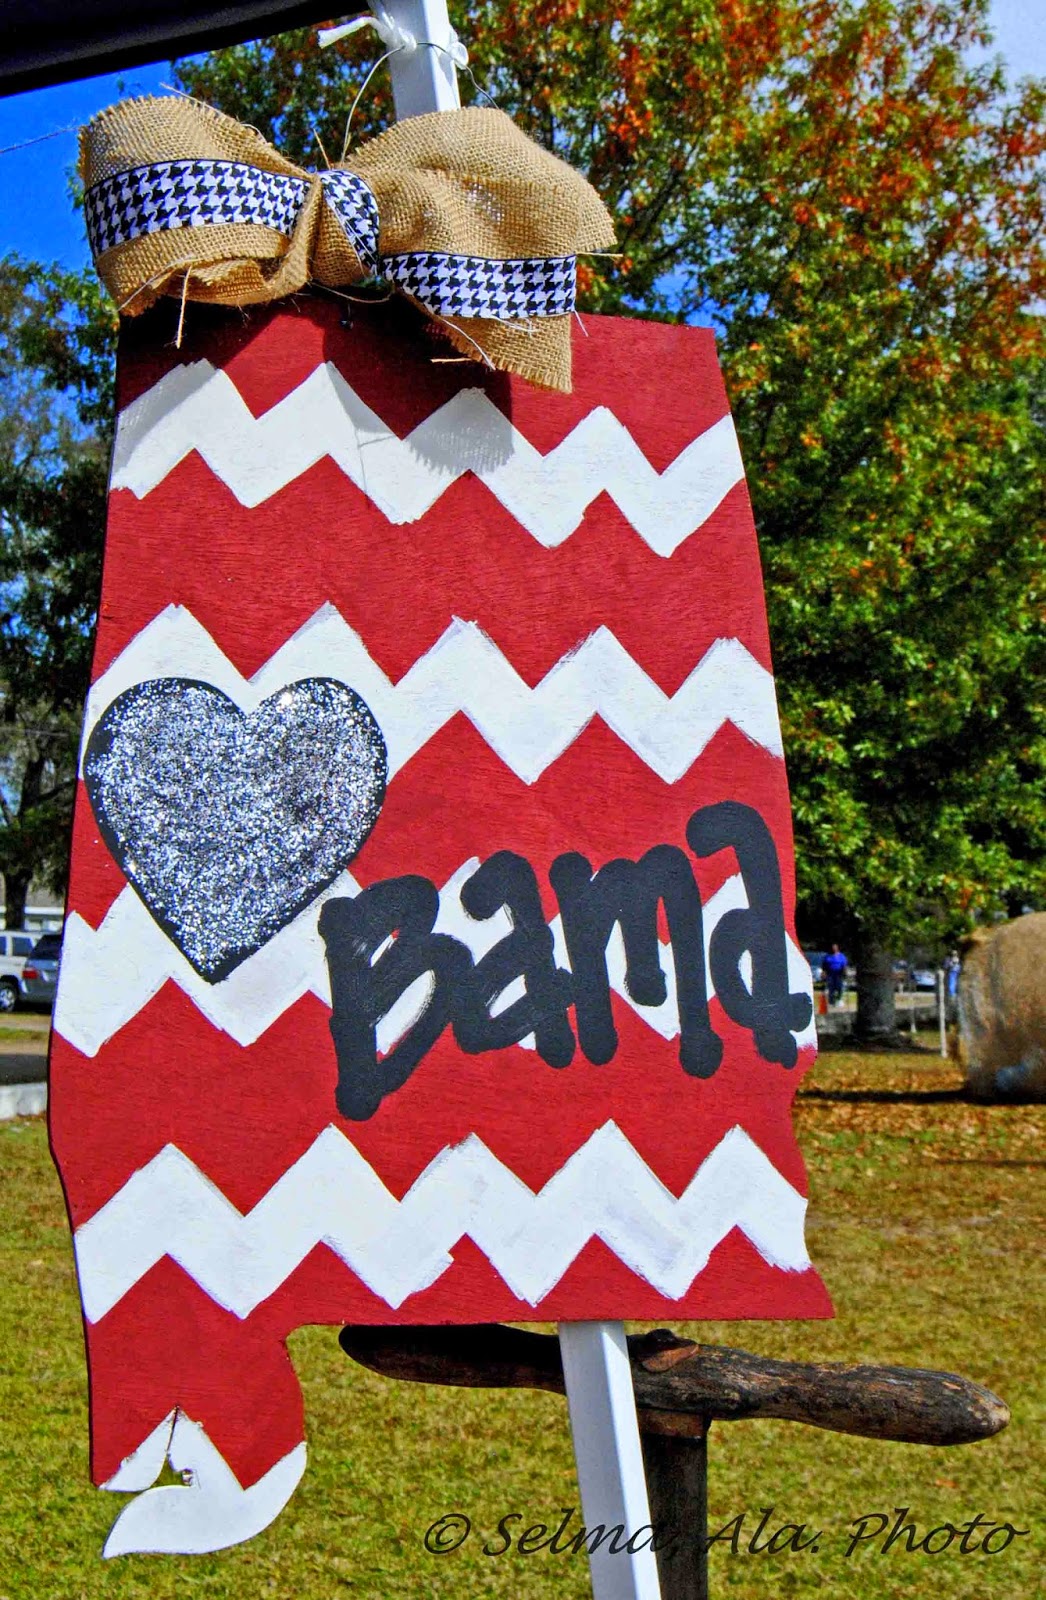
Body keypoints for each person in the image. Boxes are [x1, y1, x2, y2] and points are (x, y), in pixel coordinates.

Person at [823, 943, 848, 1007]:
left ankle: (839, 1000)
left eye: (835, 947)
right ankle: (831, 1002)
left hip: (839, 974)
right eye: (832, 947)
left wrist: (845, 973)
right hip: (830, 974)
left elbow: (844, 965)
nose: (833, 949)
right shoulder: (828, 956)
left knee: (839, 987)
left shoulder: (841, 956)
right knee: (831, 988)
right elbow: (824, 966)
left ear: (837, 948)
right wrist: (824, 973)